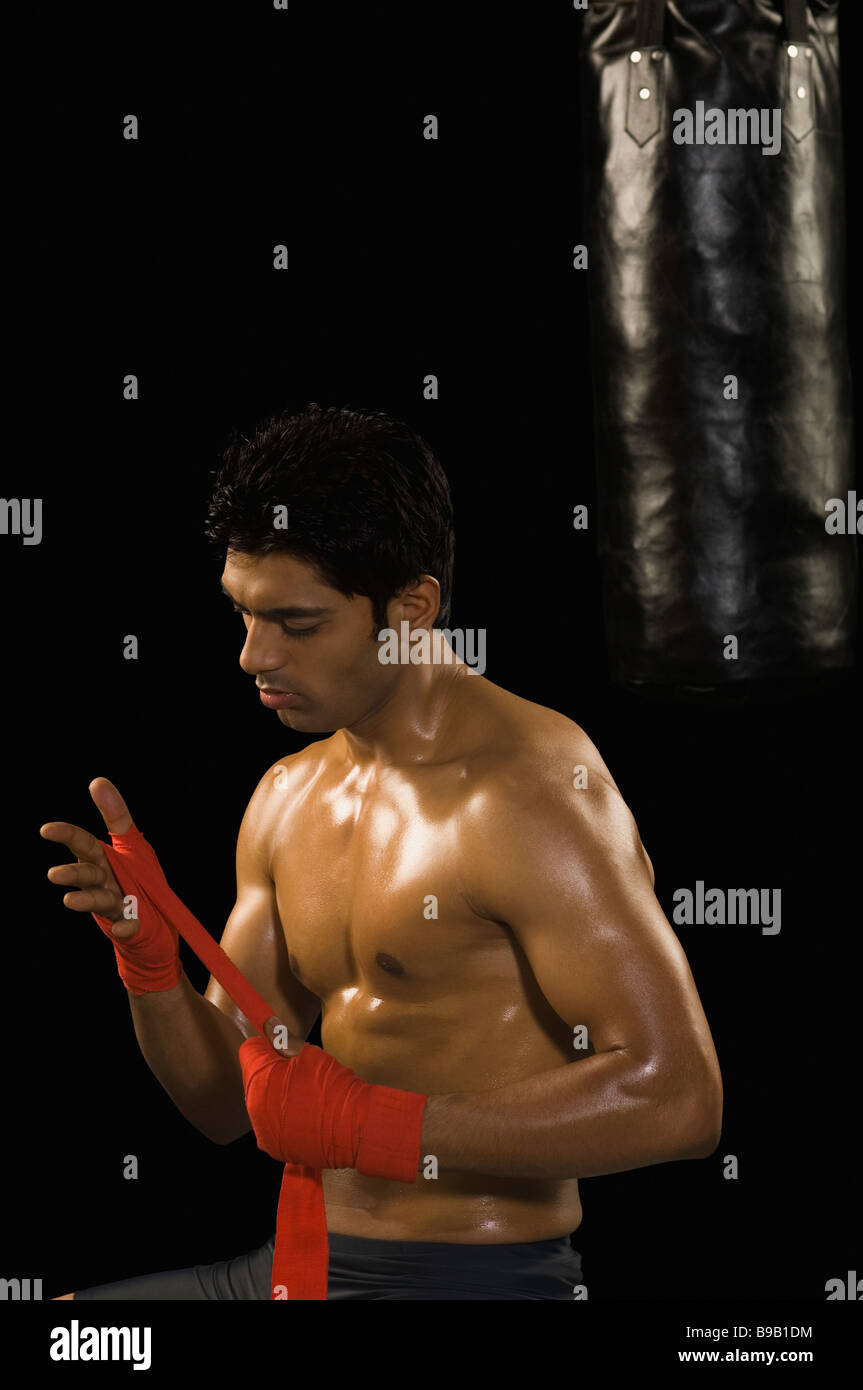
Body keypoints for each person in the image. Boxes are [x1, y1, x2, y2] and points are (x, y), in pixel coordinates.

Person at [43, 401, 722, 1300]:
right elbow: (218, 1109)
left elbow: (676, 1098)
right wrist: (149, 965)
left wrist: (374, 1127)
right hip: (302, 1266)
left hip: (473, 1277)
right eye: (241, 616)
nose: (251, 656)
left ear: (409, 609)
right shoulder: (288, 795)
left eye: (296, 622)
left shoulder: (528, 791)